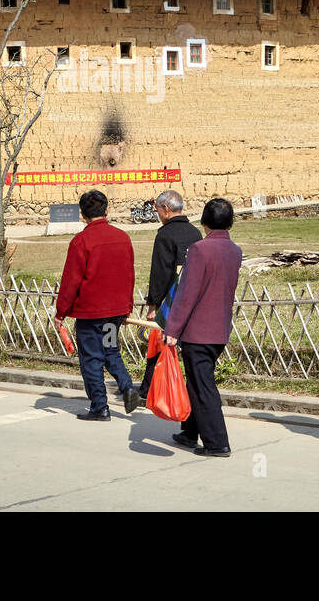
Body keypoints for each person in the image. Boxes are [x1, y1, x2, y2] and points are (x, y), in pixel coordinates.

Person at [163, 197, 243, 457]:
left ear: (204, 221)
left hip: (198, 331)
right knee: (196, 382)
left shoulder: (199, 250)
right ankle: (189, 432)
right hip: (219, 329)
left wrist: (172, 329)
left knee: (202, 385)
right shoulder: (234, 251)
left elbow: (187, 294)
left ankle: (217, 442)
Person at [55, 189, 140, 420]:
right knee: (110, 349)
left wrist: (60, 311)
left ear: (82, 214)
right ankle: (127, 386)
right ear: (107, 211)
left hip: (90, 315)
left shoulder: (81, 241)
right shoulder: (123, 238)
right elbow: (129, 275)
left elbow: (71, 280)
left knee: (91, 358)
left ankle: (100, 407)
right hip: (114, 313)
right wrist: (126, 306)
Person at [139, 190, 202, 397]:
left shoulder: (164, 235)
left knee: (159, 345)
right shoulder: (195, 233)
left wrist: (153, 305)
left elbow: (160, 273)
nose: (157, 214)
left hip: (170, 301)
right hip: (192, 299)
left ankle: (148, 389)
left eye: (157, 210)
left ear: (165, 209)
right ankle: (188, 389)